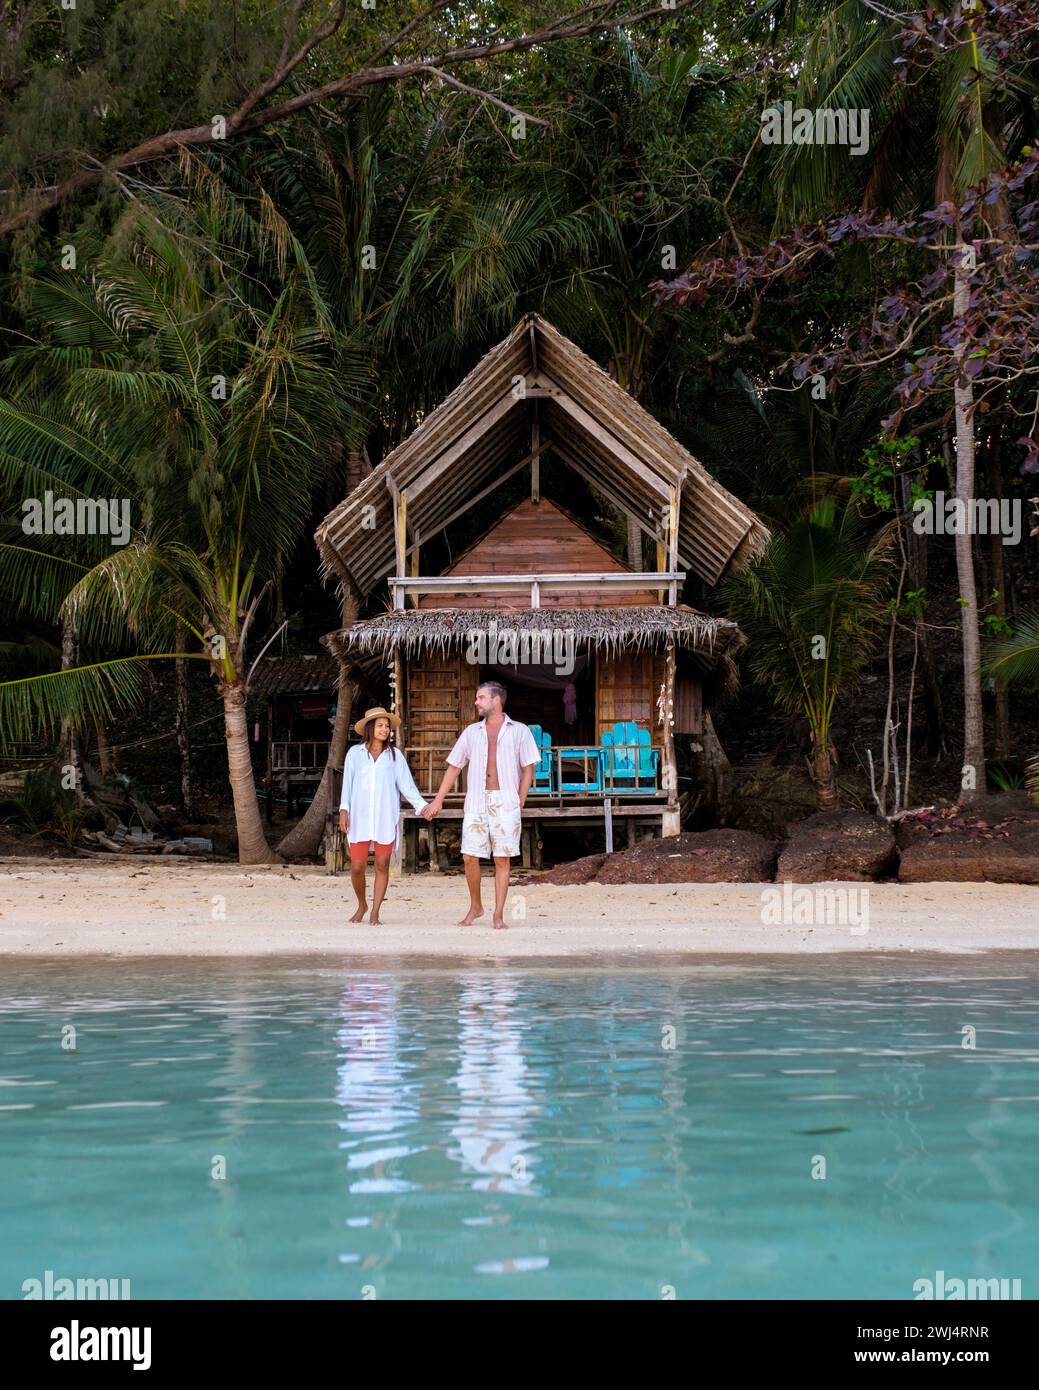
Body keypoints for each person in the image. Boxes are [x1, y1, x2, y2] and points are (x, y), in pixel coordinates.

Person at [422, 681, 540, 930]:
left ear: (496, 700)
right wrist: (438, 800)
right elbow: (454, 767)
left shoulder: (519, 731)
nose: (476, 702)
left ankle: (498, 915)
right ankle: (476, 906)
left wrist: (519, 801)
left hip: (505, 801)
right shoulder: (471, 732)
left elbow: (528, 769)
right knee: (469, 857)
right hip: (476, 800)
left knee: (502, 859)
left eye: (481, 697)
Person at [339, 707, 427, 925]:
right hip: (359, 817)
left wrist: (423, 807)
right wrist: (344, 810)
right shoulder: (355, 754)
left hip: (384, 817)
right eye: (380, 725)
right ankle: (362, 904)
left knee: (382, 864)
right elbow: (347, 784)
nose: (385, 729)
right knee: (357, 867)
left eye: (387, 726)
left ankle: (375, 912)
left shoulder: (395, 756)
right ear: (370, 728)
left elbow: (407, 786)